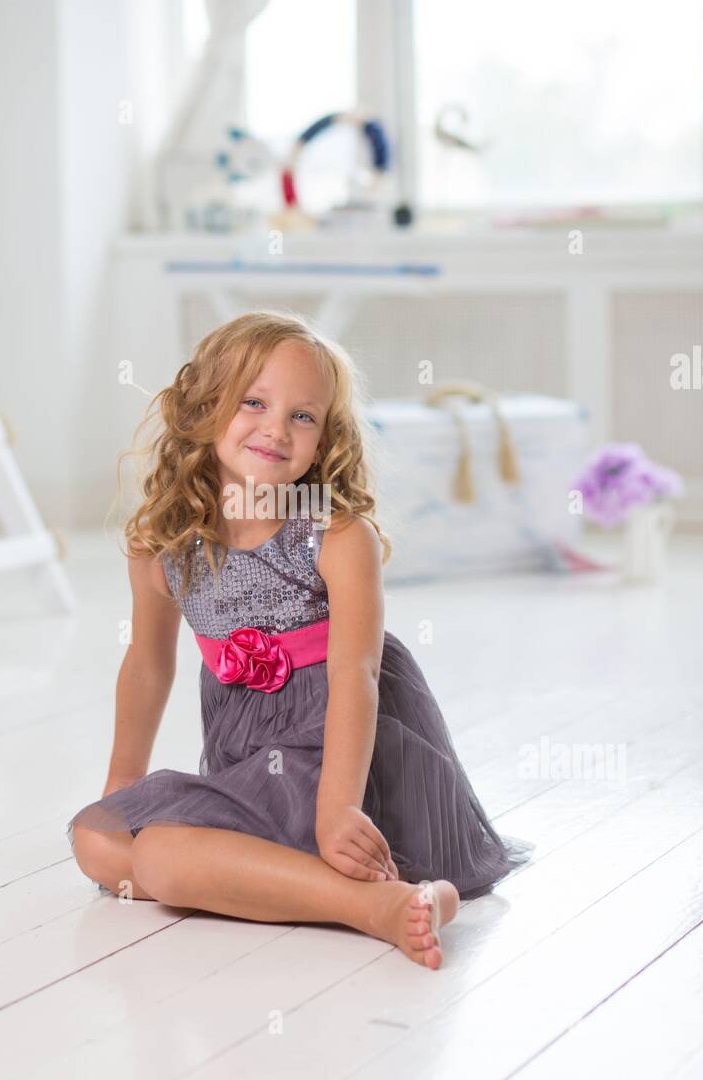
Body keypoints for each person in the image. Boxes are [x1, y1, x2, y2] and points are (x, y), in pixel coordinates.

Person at [67, 310, 533, 968]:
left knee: (165, 858)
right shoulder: (163, 547)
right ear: (204, 406)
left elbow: (358, 675)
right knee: (98, 839)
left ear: (326, 436)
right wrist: (122, 781)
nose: (276, 429)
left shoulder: (336, 536)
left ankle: (372, 905)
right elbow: (147, 665)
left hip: (343, 748)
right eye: (253, 402)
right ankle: (329, 886)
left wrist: (337, 807)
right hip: (252, 751)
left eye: (303, 416)